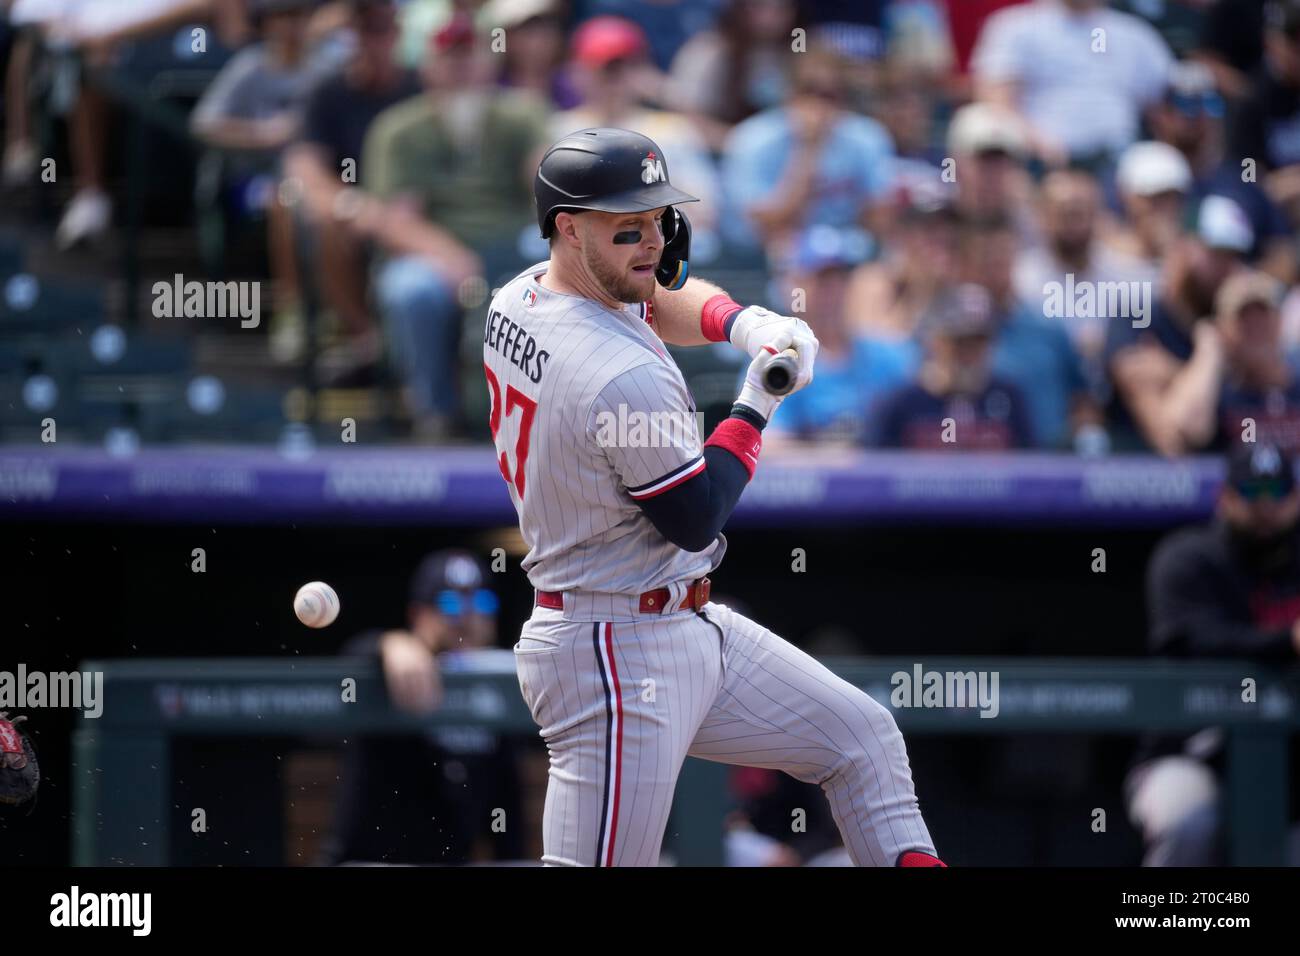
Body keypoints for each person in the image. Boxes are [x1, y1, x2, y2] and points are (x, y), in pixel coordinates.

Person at [484, 126, 943, 867]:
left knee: (863, 740)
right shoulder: (618, 373)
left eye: (660, 220)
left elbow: (649, 297)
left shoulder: (520, 297)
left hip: (680, 619)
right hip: (611, 648)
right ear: (568, 229)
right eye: (628, 228)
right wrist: (756, 405)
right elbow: (695, 518)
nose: (654, 244)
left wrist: (745, 322)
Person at [362, 11, 549, 438]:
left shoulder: (521, 113)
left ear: (489, 60)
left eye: (468, 53)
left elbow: (548, 186)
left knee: (560, 277)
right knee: (411, 290)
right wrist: (452, 257)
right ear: (427, 64)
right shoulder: (399, 128)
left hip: (512, 246)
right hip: (436, 253)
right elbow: (395, 220)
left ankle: (540, 420)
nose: (460, 65)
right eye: (448, 55)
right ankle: (436, 415)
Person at [1125, 442, 1300, 866]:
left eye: (1276, 493)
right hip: (1188, 749)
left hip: (1293, 757)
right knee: (1187, 820)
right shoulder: (1188, 557)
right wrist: (1287, 641)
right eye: (1251, 493)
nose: (1264, 506)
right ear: (1225, 496)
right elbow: (1186, 639)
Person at [320, 549, 528, 865]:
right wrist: (388, 644)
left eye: (481, 603)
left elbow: (508, 817)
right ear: (418, 615)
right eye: (450, 604)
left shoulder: (496, 685)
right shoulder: (390, 661)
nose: (468, 617)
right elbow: (352, 657)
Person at [284, 0, 421, 378]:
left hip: (412, 208)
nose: (371, 40)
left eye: (380, 29)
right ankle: (363, 336)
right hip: (351, 206)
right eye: (363, 29)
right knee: (307, 209)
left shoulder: (417, 86)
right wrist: (351, 204)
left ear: (396, 34)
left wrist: (395, 210)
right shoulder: (328, 91)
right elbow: (304, 166)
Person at [1104, 195, 1255, 454]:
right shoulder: (1136, 314)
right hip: (1135, 472)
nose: (1226, 268)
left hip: (1225, 471)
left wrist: (1178, 368)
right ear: (1182, 248)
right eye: (1216, 254)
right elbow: (1171, 441)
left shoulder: (1232, 323)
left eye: (1234, 257)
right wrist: (1211, 370)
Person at [720, 47, 895, 257]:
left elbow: (880, 218)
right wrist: (808, 147)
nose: (818, 105)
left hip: (846, 250)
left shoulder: (867, 137)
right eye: (808, 91)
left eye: (829, 95)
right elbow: (766, 222)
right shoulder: (752, 138)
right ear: (789, 94)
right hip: (763, 256)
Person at [971, 0, 1173, 168]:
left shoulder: (1135, 34)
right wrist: (1040, 146)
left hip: (1120, 165)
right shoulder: (1015, 26)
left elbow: (1167, 107)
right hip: (1040, 165)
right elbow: (996, 103)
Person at [759, 226, 913, 445]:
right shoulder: (776, 359)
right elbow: (769, 445)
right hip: (810, 477)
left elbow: (917, 425)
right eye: (822, 280)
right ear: (795, 287)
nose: (834, 290)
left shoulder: (888, 354)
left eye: (841, 279)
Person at [865, 283, 1035, 450]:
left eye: (978, 343)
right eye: (959, 343)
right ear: (935, 341)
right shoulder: (901, 405)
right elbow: (877, 470)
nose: (969, 354)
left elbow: (1032, 469)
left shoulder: (1009, 399)